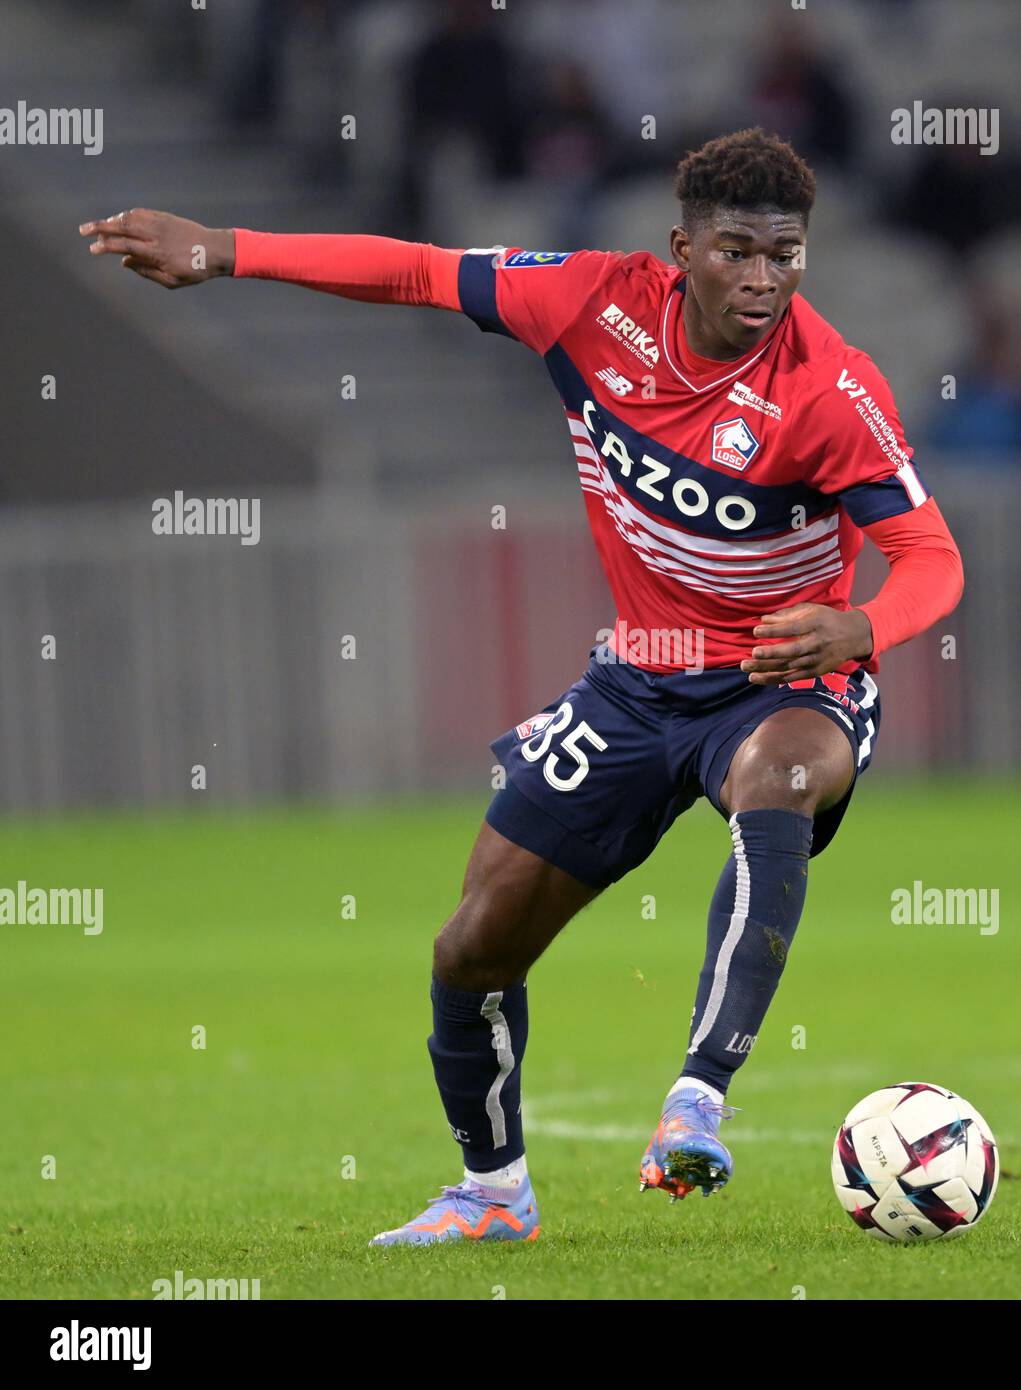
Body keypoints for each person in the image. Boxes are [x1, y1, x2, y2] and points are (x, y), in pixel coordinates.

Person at [79, 128, 963, 1245]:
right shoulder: (590, 303)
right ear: (679, 247)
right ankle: (492, 1193)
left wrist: (860, 622)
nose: (762, 278)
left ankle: (696, 1097)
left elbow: (933, 557)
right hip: (636, 682)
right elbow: (415, 269)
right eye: (737, 251)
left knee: (778, 775)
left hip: (780, 677)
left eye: (785, 255)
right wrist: (225, 249)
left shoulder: (828, 387)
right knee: (473, 946)